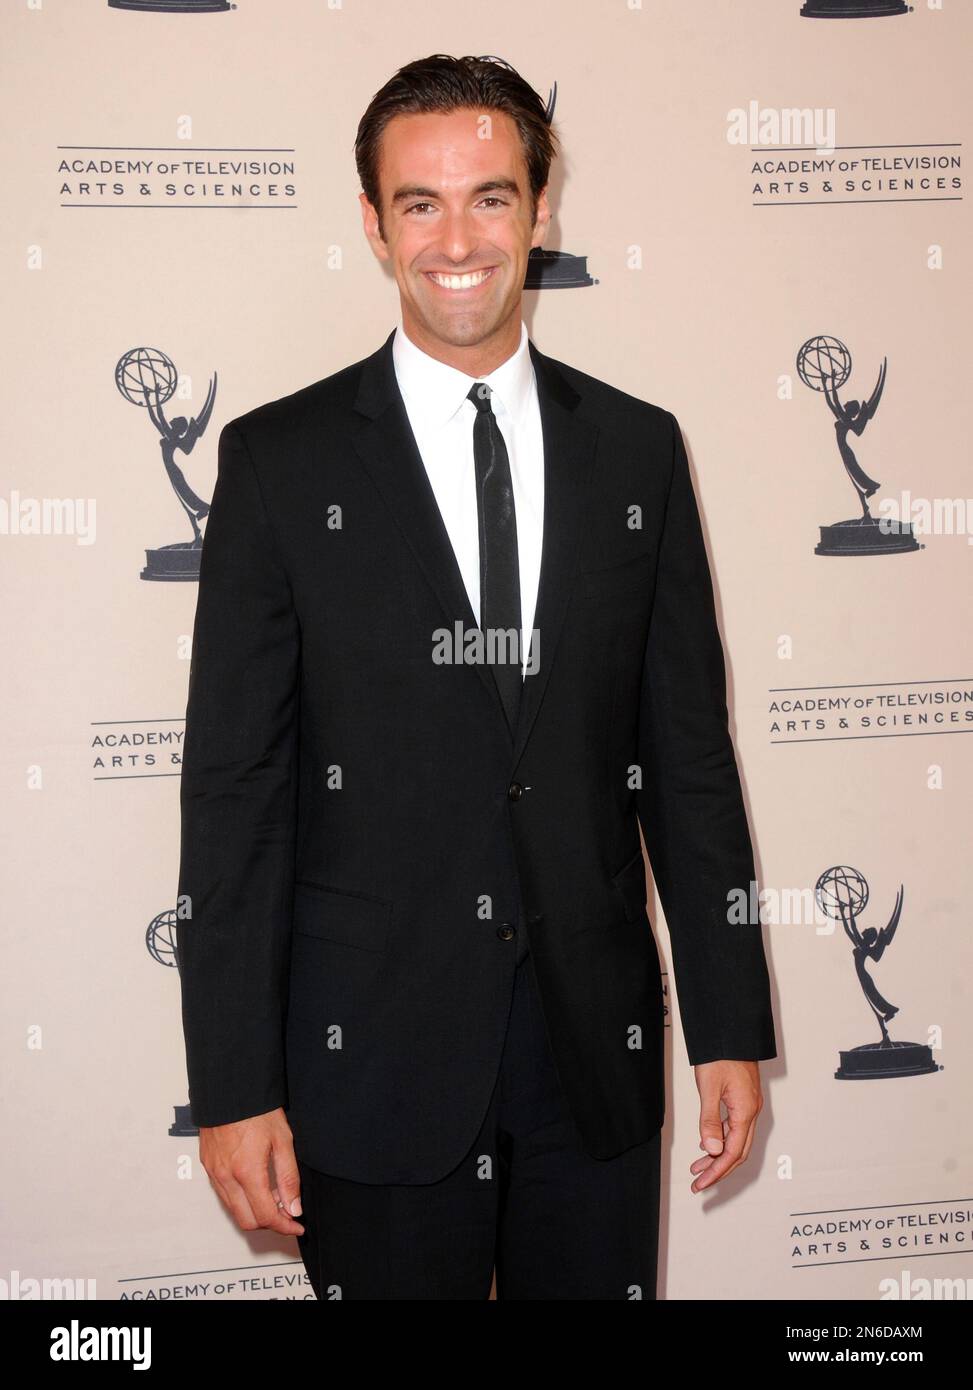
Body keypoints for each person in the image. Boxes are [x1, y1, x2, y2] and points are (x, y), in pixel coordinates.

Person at [175, 53, 777, 1301]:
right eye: (420, 203)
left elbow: (688, 761)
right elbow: (235, 795)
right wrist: (234, 1085)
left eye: (492, 197)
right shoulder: (280, 466)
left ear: (542, 210)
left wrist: (728, 1025)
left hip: (592, 1060)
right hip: (371, 1060)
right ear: (372, 223)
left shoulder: (638, 450)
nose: (459, 238)